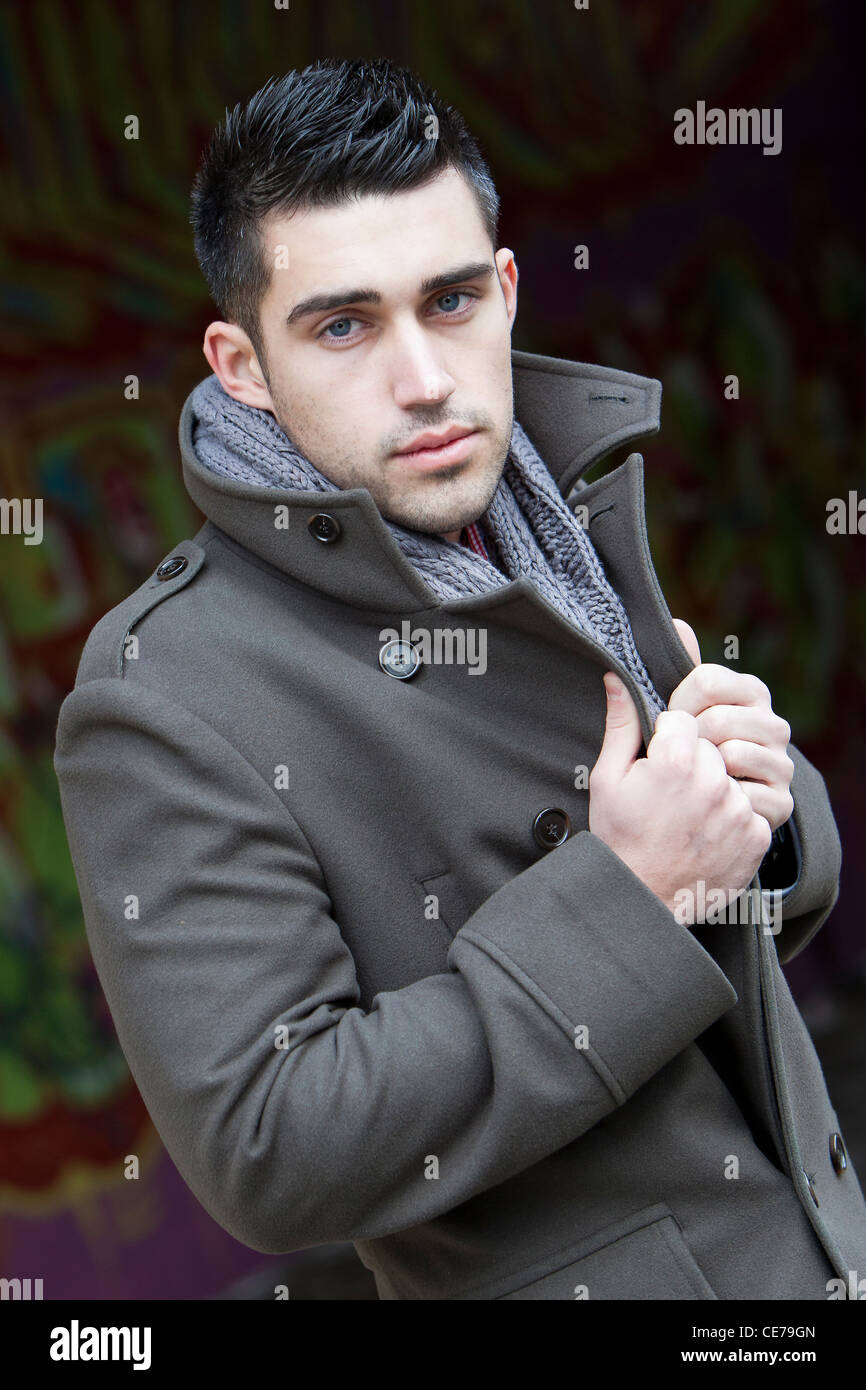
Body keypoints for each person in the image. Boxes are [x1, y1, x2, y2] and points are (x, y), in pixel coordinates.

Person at [53, 57, 866, 1300]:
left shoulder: (556, 509)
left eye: (447, 301)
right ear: (241, 364)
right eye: (342, 324)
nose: (423, 378)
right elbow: (271, 1148)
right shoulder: (165, 685)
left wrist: (757, 807)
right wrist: (630, 891)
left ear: (505, 290)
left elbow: (741, 901)